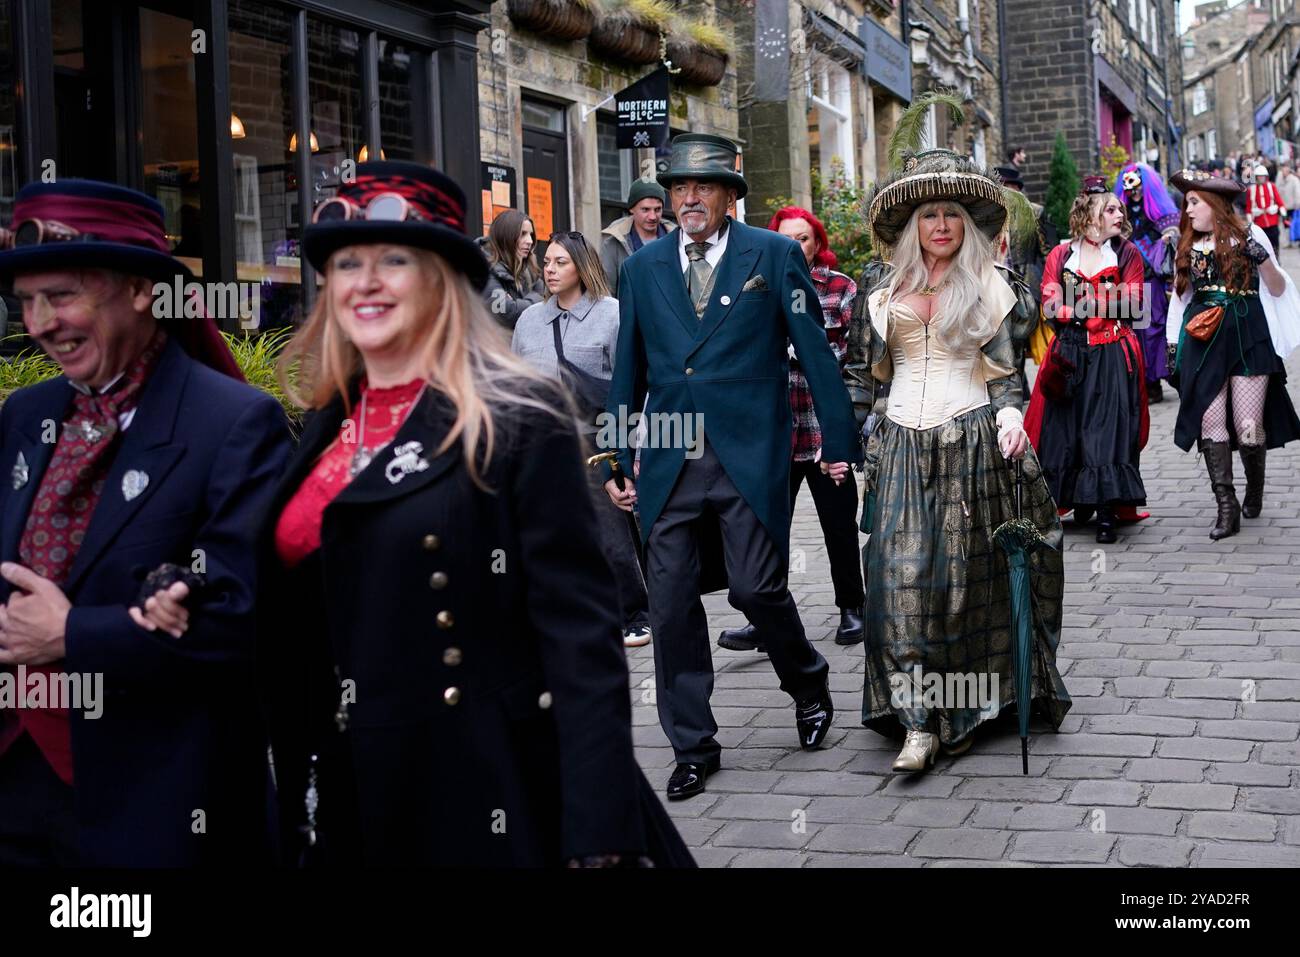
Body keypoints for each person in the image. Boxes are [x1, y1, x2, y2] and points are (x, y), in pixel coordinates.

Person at [134, 161, 693, 866]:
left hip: (487, 782)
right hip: (347, 778)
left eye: (392, 260)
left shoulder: (517, 418)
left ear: (440, 279)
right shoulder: (329, 417)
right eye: (344, 264)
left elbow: (581, 639)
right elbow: (318, 573)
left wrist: (599, 830)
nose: (363, 281)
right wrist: (200, 585)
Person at [0, 180, 291, 865]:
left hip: (150, 802)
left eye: (63, 295)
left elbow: (241, 619)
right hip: (14, 786)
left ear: (139, 290)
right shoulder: (23, 416)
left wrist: (71, 633)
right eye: (27, 303)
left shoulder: (233, 425)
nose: (41, 323)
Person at [601, 133, 860, 801]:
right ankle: (693, 743)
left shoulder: (771, 257)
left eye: (703, 186)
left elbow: (815, 351)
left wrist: (837, 441)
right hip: (666, 456)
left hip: (748, 449)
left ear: (728, 196)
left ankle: (807, 680)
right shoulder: (641, 268)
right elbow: (626, 365)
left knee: (755, 586)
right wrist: (611, 449)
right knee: (671, 602)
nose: (688, 197)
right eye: (679, 186)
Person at [857, 148, 1070, 771]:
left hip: (968, 439)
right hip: (899, 443)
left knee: (958, 585)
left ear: (967, 224)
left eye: (952, 213)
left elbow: (1006, 373)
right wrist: (847, 442)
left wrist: (1009, 415)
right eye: (929, 214)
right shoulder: (880, 292)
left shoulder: (990, 287)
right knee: (897, 578)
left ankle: (967, 709)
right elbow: (861, 374)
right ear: (912, 226)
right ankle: (918, 721)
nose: (941, 224)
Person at [716, 206, 865, 654]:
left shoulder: (841, 288)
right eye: (785, 237)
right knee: (767, 527)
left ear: (816, 244)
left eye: (802, 238)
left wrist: (806, 354)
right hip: (775, 428)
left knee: (837, 523)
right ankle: (767, 618)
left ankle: (851, 606)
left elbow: (853, 356)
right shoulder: (754, 285)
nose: (794, 246)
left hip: (822, 429)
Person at [512, 231, 651, 649]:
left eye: (560, 262)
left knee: (611, 532)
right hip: (542, 442)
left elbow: (632, 387)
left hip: (596, 440)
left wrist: (629, 450)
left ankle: (635, 612)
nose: (550, 270)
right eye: (547, 262)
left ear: (582, 266)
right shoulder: (529, 320)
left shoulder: (613, 314)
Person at [1166, 168, 1300, 540]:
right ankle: (1227, 508)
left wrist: (1264, 261)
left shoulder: (1250, 234)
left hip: (1246, 333)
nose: (1188, 210)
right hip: (1202, 338)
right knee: (1211, 423)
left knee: (1248, 427)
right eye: (1187, 203)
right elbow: (1180, 301)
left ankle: (1253, 488)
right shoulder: (1186, 243)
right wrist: (1172, 346)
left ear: (1215, 204)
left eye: (1194, 202)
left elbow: (1276, 289)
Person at [1024, 177, 1149, 544]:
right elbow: (1048, 305)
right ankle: (1078, 501)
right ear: (1089, 215)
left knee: (1106, 431)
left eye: (1120, 209)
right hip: (1070, 353)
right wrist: (1097, 305)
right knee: (1067, 429)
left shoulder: (1127, 253)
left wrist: (1077, 307)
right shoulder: (1061, 255)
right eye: (1110, 208)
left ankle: (1107, 510)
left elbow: (1135, 305)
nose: (1119, 214)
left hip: (1111, 352)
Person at [1114, 163, 1180, 402]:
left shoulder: (1160, 214)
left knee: (1153, 331)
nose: (1133, 193)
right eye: (1129, 189)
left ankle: (1157, 381)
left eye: (1137, 188)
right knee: (1134, 333)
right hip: (1129, 282)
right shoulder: (1121, 215)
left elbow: (1173, 238)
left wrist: (1166, 240)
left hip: (1152, 282)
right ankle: (1146, 383)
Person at [599, 181, 675, 297]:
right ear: (631, 209)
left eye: (657, 209)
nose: (652, 216)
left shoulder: (677, 238)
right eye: (645, 209)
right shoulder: (613, 243)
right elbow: (605, 294)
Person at [481, 209, 544, 330]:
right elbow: (504, 314)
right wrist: (537, 299)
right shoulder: (484, 268)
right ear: (505, 237)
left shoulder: (529, 268)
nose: (530, 241)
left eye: (531, 235)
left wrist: (516, 304)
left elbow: (546, 298)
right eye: (523, 234)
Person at [1246, 164, 1287, 254]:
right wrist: (1250, 223)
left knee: (1275, 245)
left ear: (1266, 177)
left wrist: (1284, 215)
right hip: (1259, 223)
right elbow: (1249, 209)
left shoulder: (1271, 187)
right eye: (1259, 176)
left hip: (1272, 222)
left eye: (1263, 176)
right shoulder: (1251, 190)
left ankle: (1276, 261)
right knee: (1263, 247)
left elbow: (1280, 202)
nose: (1261, 178)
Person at [1279, 163, 1300, 247]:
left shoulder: (1294, 180)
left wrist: (1297, 204)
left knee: (1294, 223)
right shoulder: (1280, 180)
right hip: (1283, 206)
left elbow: (1297, 193)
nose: (1284, 172)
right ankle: (1288, 241)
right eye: (1283, 170)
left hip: (1292, 206)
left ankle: (1295, 239)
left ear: (1288, 171)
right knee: (1286, 224)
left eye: (1285, 170)